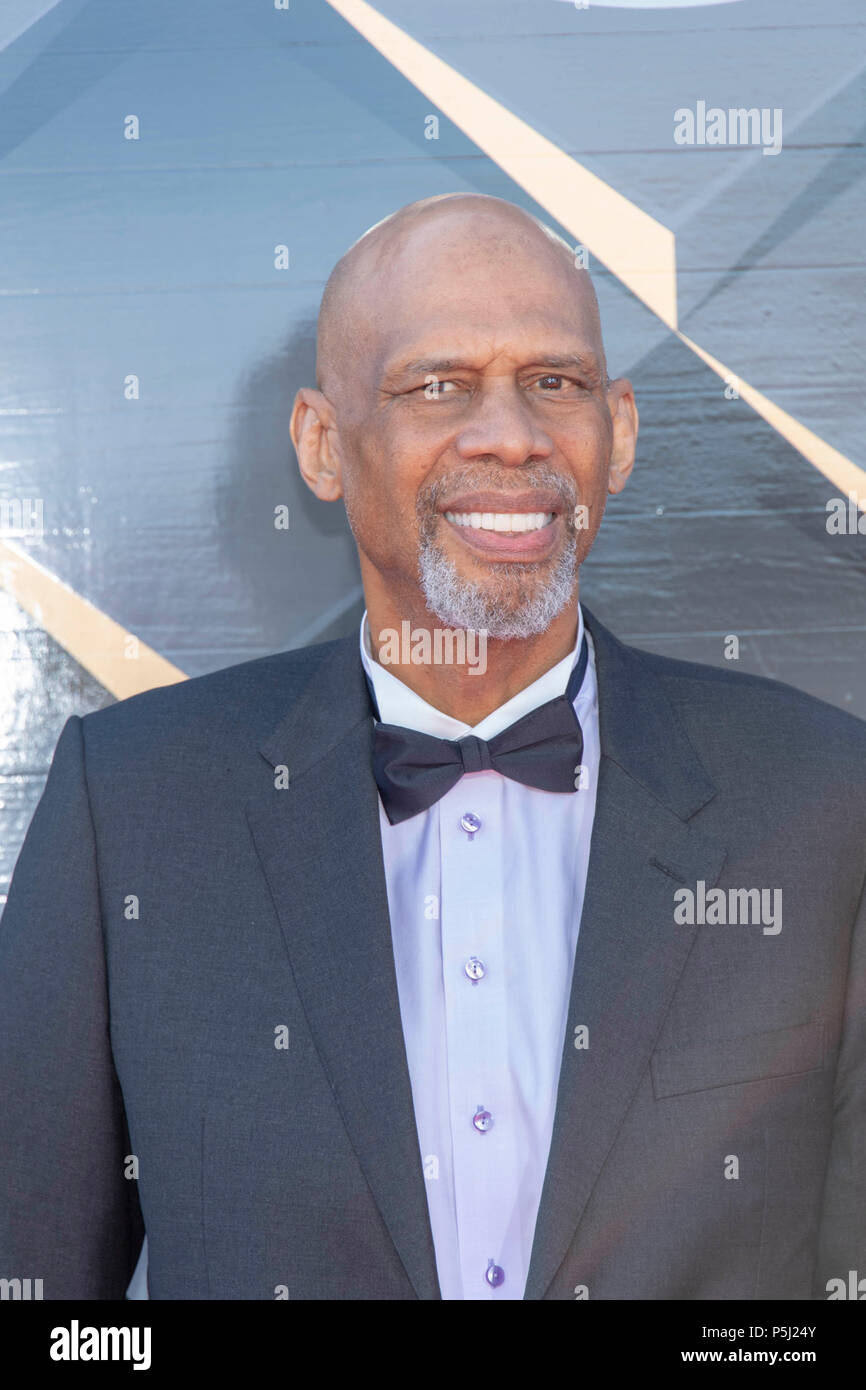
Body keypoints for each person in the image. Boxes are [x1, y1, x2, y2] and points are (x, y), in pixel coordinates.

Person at [1, 193, 864, 1301]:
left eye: (554, 382)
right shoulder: (130, 811)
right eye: (437, 385)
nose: (509, 433)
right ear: (321, 443)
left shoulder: (820, 800)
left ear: (622, 434)